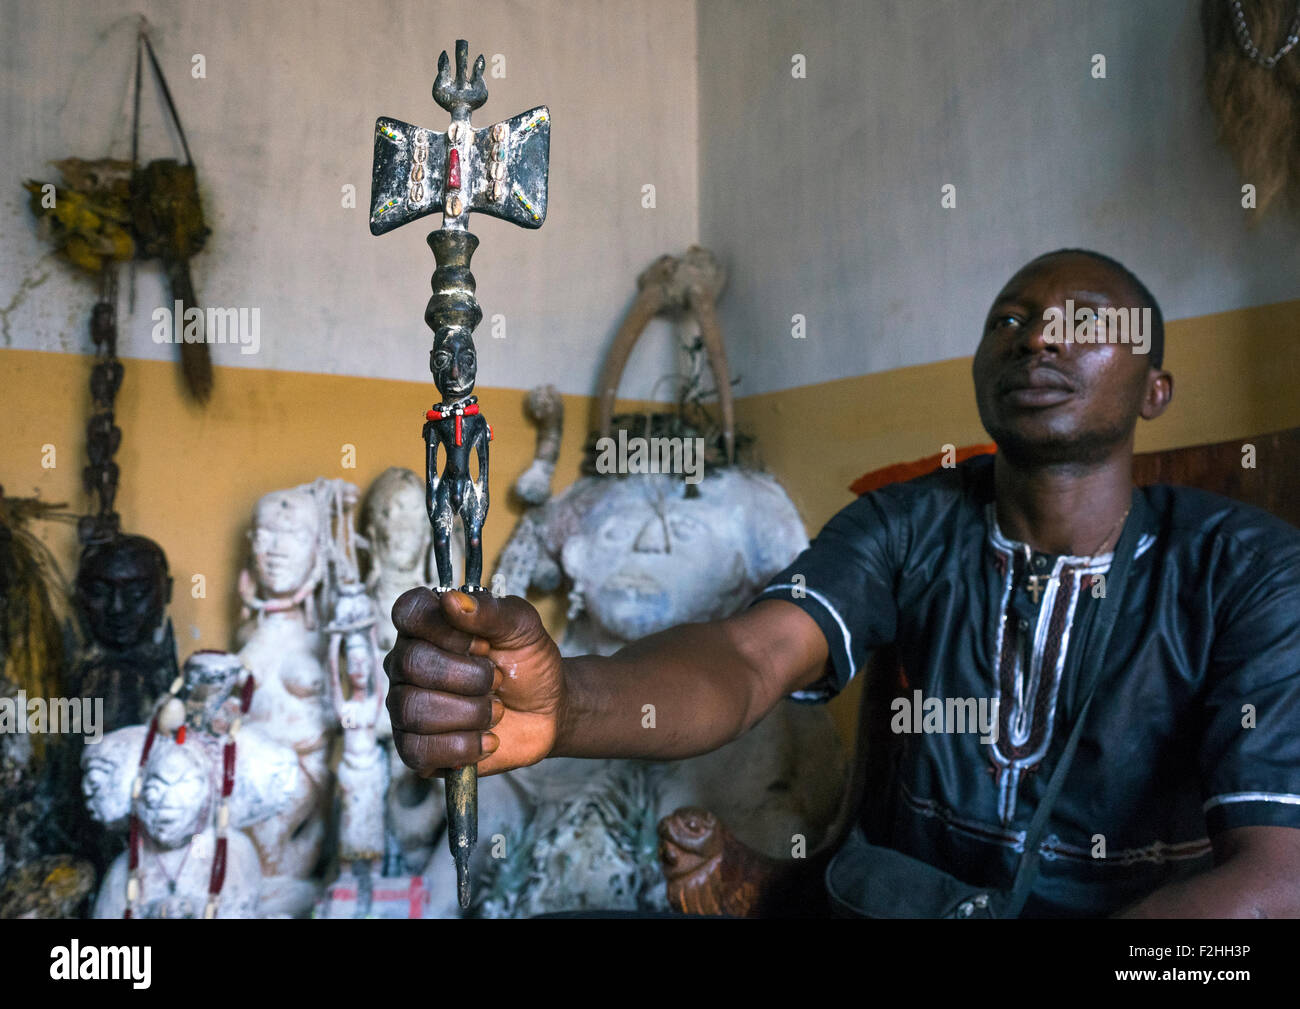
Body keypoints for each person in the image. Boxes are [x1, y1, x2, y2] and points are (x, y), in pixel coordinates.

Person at [384, 249, 1300, 917]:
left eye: (1087, 323)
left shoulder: (1246, 568)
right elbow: (749, 655)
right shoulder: (909, 523)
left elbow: (1275, 880)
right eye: (1010, 321)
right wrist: (565, 706)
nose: (1038, 341)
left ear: (1155, 390)